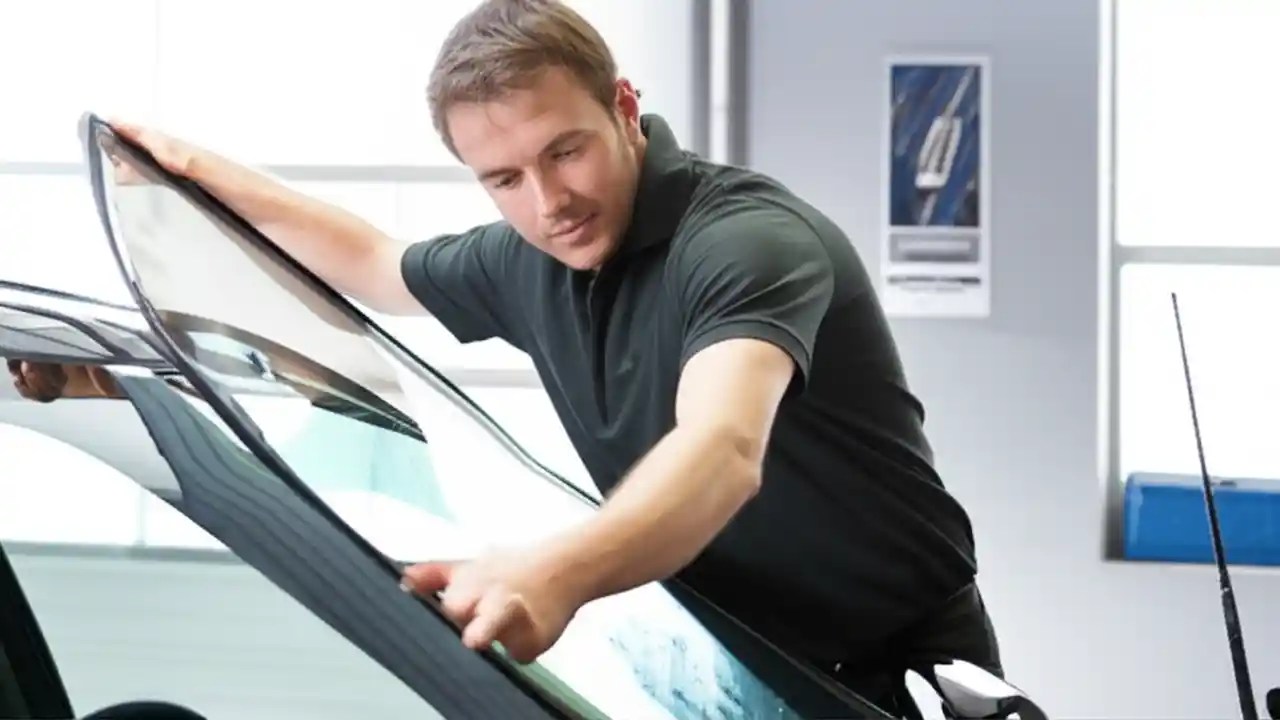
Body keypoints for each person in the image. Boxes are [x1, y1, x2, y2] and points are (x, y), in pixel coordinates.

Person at [106, 0, 1001, 714]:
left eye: (564, 151)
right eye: (504, 179)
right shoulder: (527, 258)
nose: (548, 203)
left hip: (898, 670)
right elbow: (376, 265)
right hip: (733, 659)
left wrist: (553, 572)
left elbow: (724, 448)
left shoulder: (745, 244)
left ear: (624, 108)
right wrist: (195, 172)